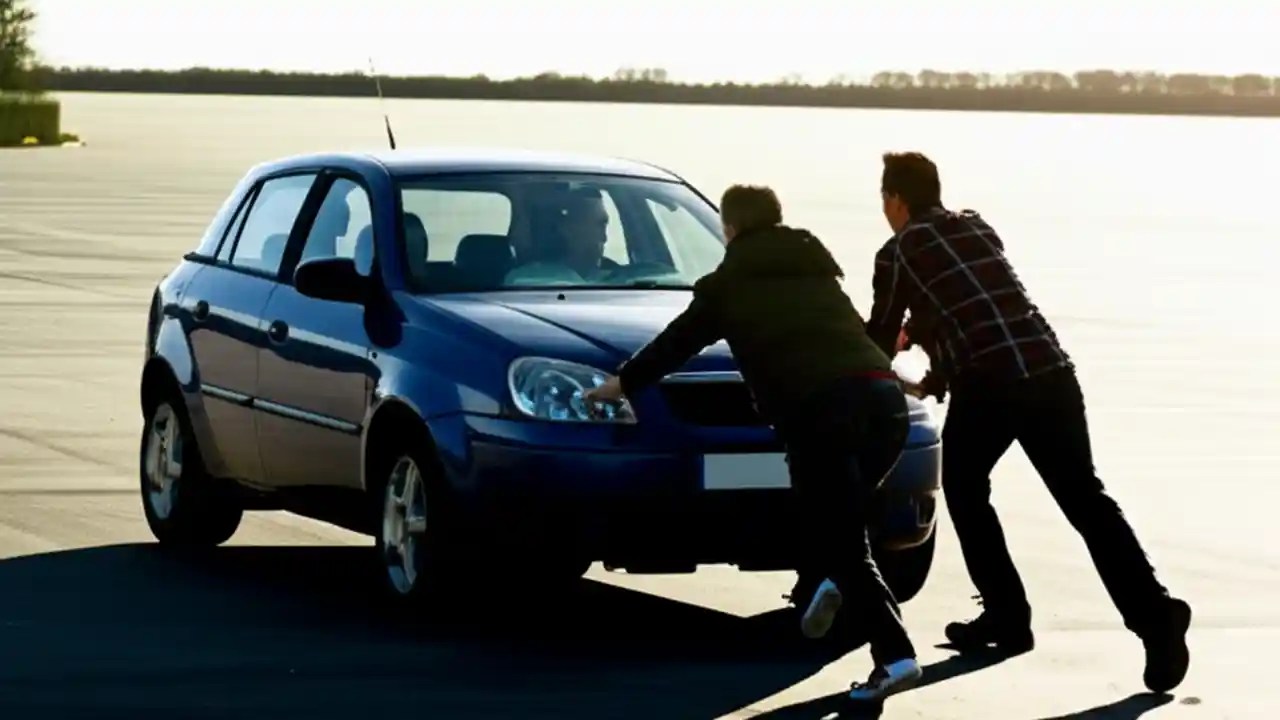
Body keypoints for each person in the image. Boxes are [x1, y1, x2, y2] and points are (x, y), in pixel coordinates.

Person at [865, 151, 1192, 693]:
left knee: (965, 489)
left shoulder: (897, 251)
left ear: (895, 200)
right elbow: (970, 302)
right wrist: (939, 366)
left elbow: (881, 333)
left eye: (884, 201)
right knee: (1086, 498)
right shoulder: (976, 226)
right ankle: (1156, 616)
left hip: (991, 382)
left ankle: (1008, 616)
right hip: (1050, 369)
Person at [584, 184, 923, 703]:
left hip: (821, 414)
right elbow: (855, 336)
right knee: (841, 526)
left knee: (840, 537)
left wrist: (619, 384)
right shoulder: (817, 271)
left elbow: (676, 344)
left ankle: (895, 656)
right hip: (885, 406)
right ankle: (830, 582)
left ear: (731, 228)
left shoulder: (729, 284)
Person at [505, 187, 619, 284]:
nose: (604, 238)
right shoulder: (527, 280)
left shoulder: (621, 279)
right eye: (598, 226)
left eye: (604, 226)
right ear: (567, 228)